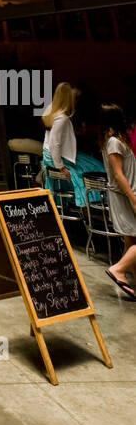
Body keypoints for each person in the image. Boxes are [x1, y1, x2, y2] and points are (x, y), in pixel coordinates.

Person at [41, 82, 104, 209]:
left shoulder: (51, 111)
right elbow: (55, 144)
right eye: (75, 98)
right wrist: (61, 167)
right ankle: (91, 204)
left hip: (49, 154)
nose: (76, 101)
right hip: (56, 156)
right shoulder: (62, 118)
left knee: (90, 162)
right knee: (96, 167)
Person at [100, 103, 136, 300]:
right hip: (126, 195)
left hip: (126, 194)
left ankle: (126, 275)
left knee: (131, 239)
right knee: (131, 237)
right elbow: (119, 174)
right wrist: (133, 198)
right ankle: (118, 269)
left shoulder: (114, 140)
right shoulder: (114, 141)